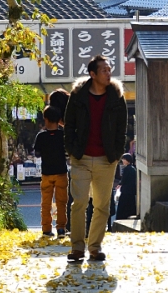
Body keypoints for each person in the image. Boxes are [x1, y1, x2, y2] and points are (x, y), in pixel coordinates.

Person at [63, 55, 127, 263]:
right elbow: (69, 124)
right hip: (81, 157)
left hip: (106, 159)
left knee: (101, 205)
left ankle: (95, 247)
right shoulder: (78, 95)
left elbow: (122, 128)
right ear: (93, 74)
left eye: (109, 70)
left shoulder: (116, 96)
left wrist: (116, 154)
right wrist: (72, 150)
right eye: (104, 70)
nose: (109, 73)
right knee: (79, 203)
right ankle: (77, 248)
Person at [33, 106, 68, 237]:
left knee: (46, 202)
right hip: (61, 172)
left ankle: (46, 229)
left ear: (45, 119)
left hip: (46, 172)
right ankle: (61, 228)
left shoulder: (41, 136)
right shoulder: (63, 135)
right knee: (61, 202)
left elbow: (37, 154)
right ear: (59, 120)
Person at [115, 152, 137, 220]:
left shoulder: (127, 169)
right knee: (131, 207)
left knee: (123, 208)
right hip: (131, 191)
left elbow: (123, 179)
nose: (122, 161)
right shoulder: (133, 168)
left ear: (127, 160)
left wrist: (119, 184)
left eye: (124, 159)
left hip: (126, 192)